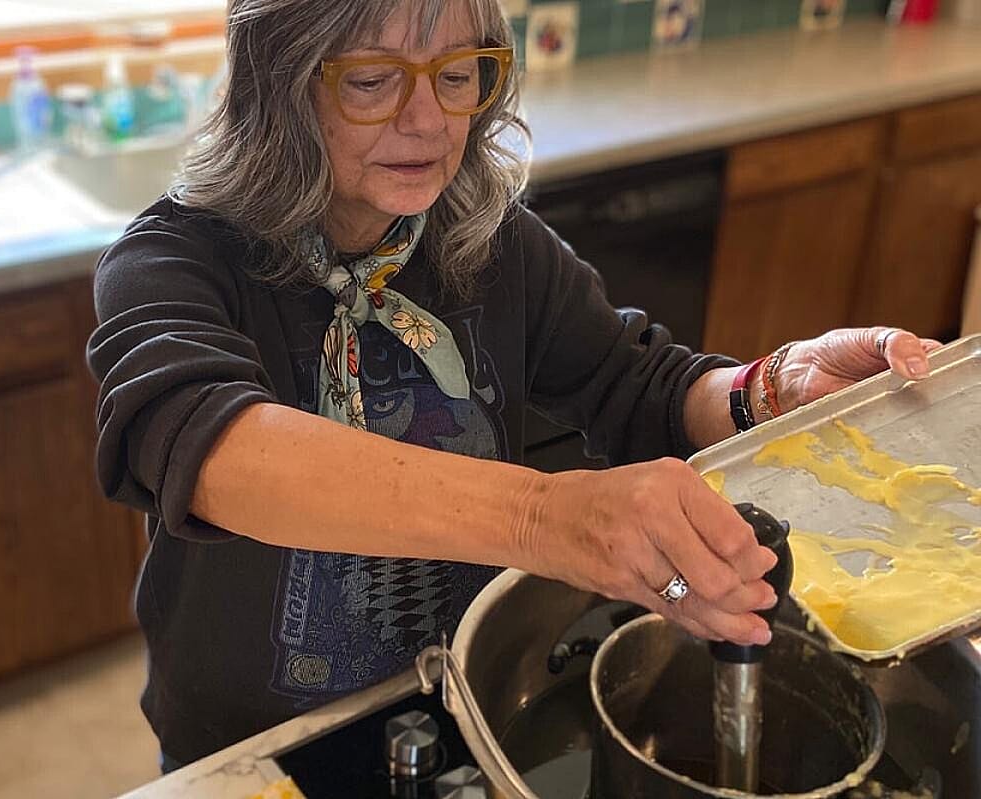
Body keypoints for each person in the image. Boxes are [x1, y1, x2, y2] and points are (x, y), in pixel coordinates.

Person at [85, 0, 938, 772]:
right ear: (278, 86)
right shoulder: (175, 259)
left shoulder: (487, 243)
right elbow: (209, 446)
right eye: (374, 81)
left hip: (457, 697)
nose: (428, 119)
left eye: (459, 75)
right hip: (255, 747)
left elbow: (640, 384)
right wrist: (544, 517)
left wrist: (768, 391)